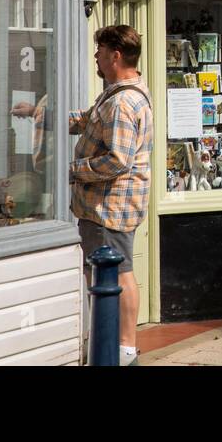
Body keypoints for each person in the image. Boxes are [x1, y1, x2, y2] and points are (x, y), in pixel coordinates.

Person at [70, 25, 153, 366]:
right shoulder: (123, 92)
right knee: (120, 271)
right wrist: (42, 115)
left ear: (115, 56)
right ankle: (120, 346)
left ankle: (122, 349)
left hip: (109, 206)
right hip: (113, 204)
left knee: (118, 274)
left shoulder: (121, 101)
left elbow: (118, 160)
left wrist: (75, 169)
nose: (95, 57)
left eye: (100, 51)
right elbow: (90, 121)